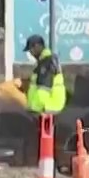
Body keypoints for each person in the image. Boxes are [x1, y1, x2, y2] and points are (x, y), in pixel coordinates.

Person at [21, 33, 67, 164]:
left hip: (48, 107)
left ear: (38, 46)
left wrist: (37, 109)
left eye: (31, 49)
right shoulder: (45, 61)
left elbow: (44, 90)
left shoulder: (46, 63)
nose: (30, 52)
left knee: (45, 140)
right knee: (46, 140)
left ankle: (47, 163)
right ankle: (46, 162)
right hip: (48, 106)